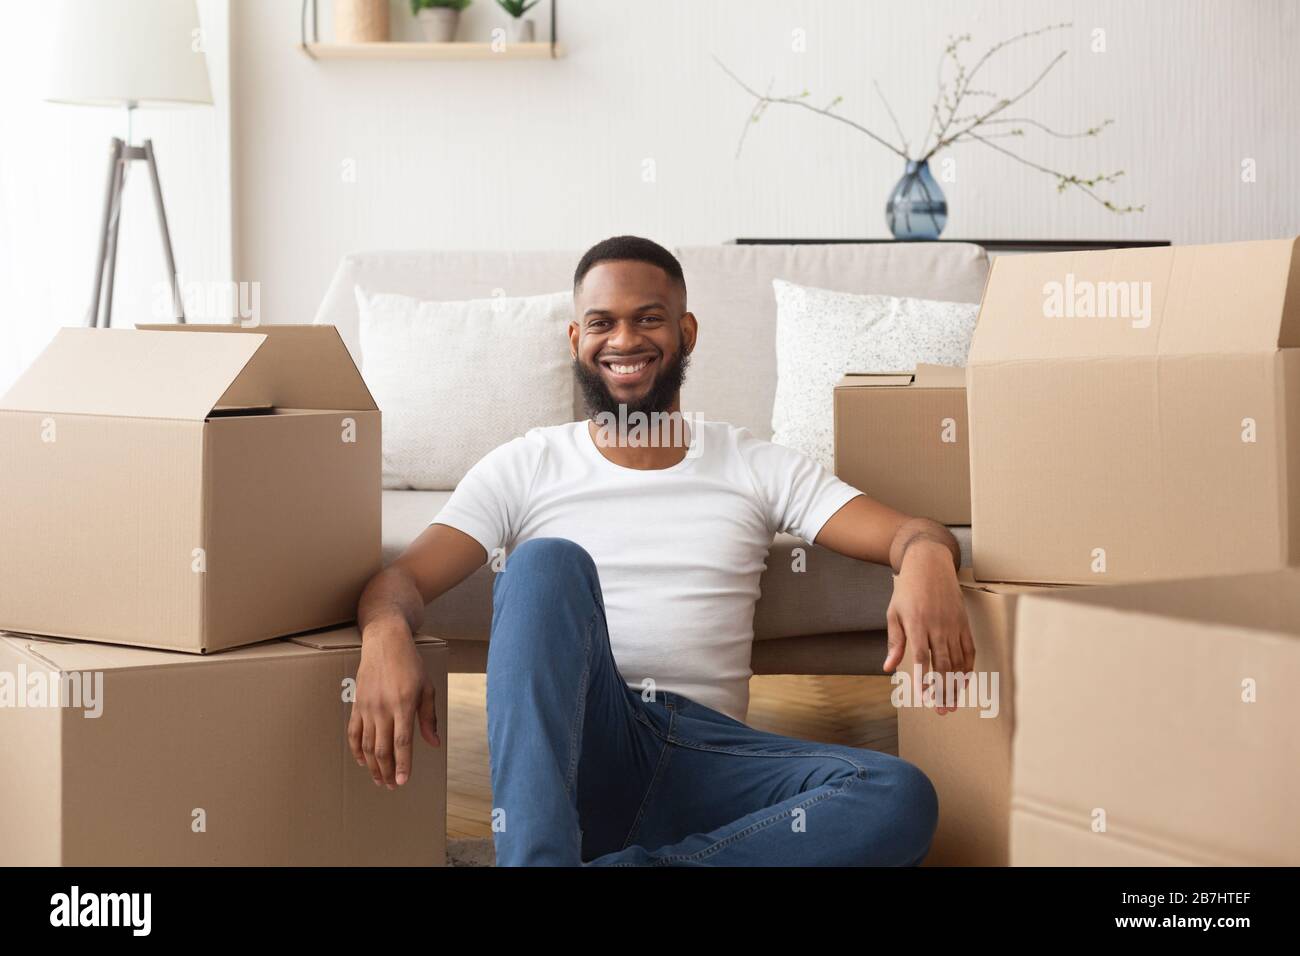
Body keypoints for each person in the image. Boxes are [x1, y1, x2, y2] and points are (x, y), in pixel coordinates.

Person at [350, 235, 974, 866]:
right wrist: (384, 635)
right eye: (602, 323)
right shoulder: (525, 464)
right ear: (575, 341)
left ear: (687, 331)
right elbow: (402, 580)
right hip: (590, 745)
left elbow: (908, 531)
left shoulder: (752, 463)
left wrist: (925, 559)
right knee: (544, 564)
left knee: (896, 795)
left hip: (707, 759)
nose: (624, 341)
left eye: (648, 318)